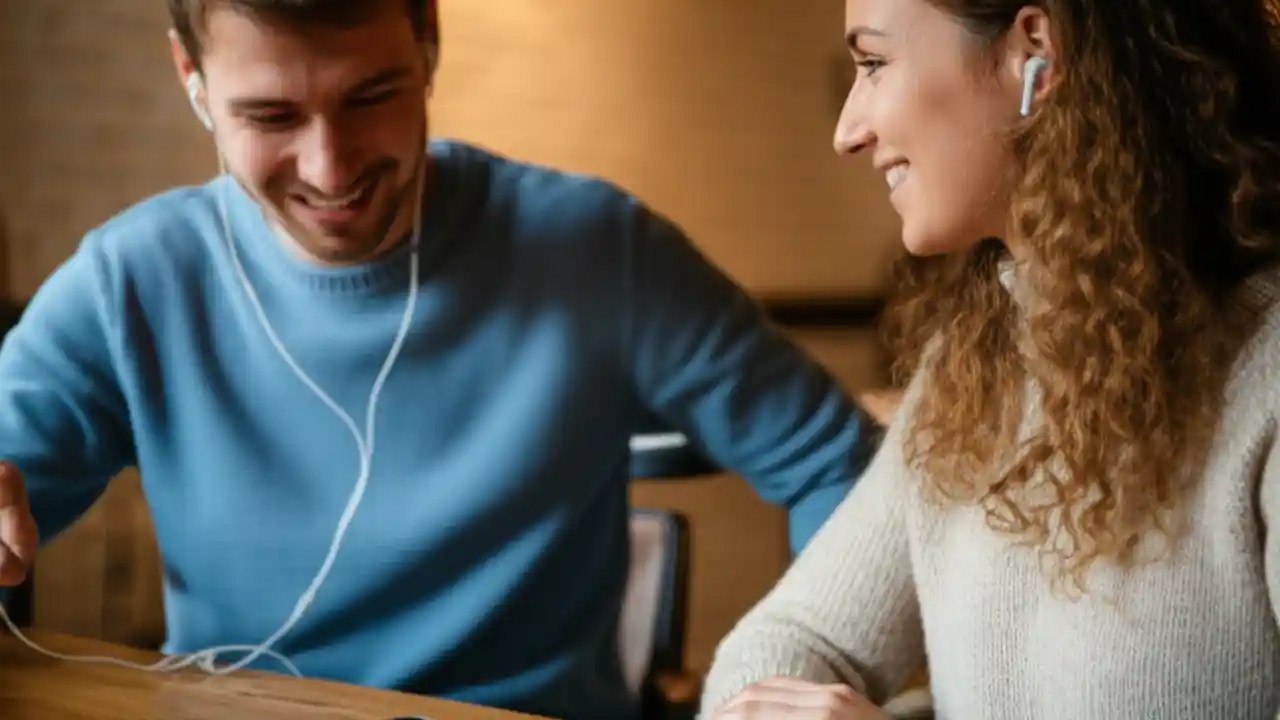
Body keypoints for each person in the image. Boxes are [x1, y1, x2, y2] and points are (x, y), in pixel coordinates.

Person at [0, 1, 884, 718]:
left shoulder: (597, 248)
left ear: (428, 41)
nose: (329, 167)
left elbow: (843, 471)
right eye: (270, 115)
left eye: (371, 95)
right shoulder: (129, 282)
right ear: (191, 80)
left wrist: (786, 666)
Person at [700, 0, 1280, 718]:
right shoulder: (971, 366)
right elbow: (788, 640)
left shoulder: (1267, 373)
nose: (848, 131)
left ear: (1033, 51)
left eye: (875, 63)